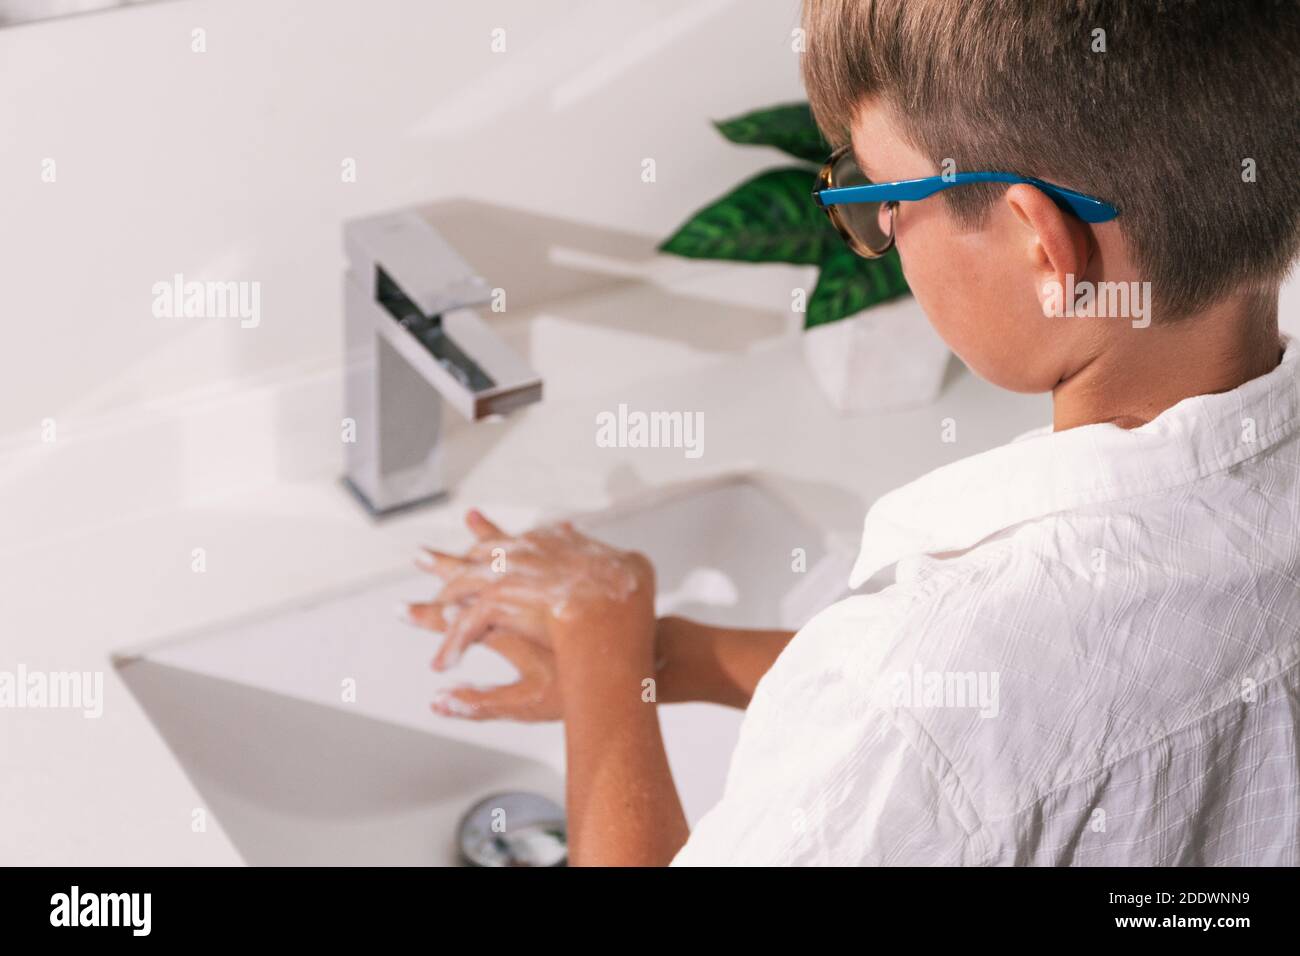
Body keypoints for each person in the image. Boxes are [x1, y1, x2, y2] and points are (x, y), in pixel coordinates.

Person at [405, 0, 1300, 865]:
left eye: (884, 199)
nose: (880, 232)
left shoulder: (917, 683)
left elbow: (953, 733)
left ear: (1040, 243)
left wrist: (601, 642)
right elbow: (1050, 712)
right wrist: (681, 656)